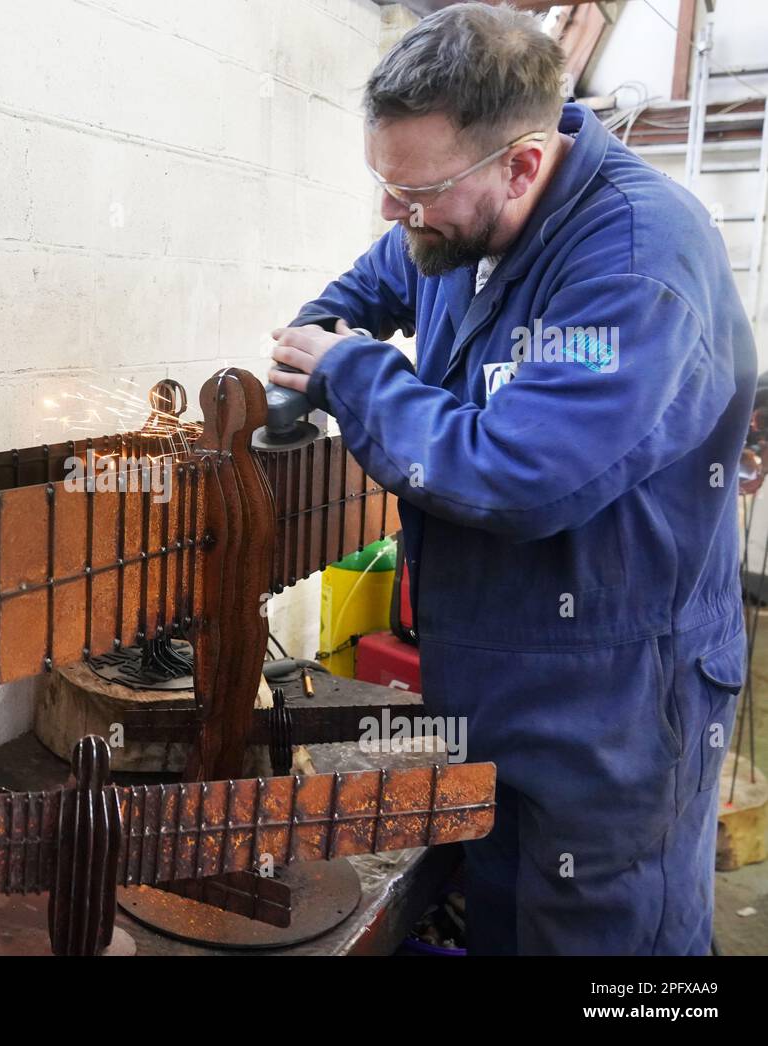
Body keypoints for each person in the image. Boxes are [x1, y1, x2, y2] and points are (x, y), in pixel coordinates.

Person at [269, 2, 757, 955]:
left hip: (616, 704)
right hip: (490, 671)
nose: (393, 213)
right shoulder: (456, 220)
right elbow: (376, 279)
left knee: (607, 948)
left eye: (414, 193)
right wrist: (316, 331)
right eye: (384, 183)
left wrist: (351, 372)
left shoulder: (631, 260)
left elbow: (519, 475)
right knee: (505, 919)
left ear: (524, 164)